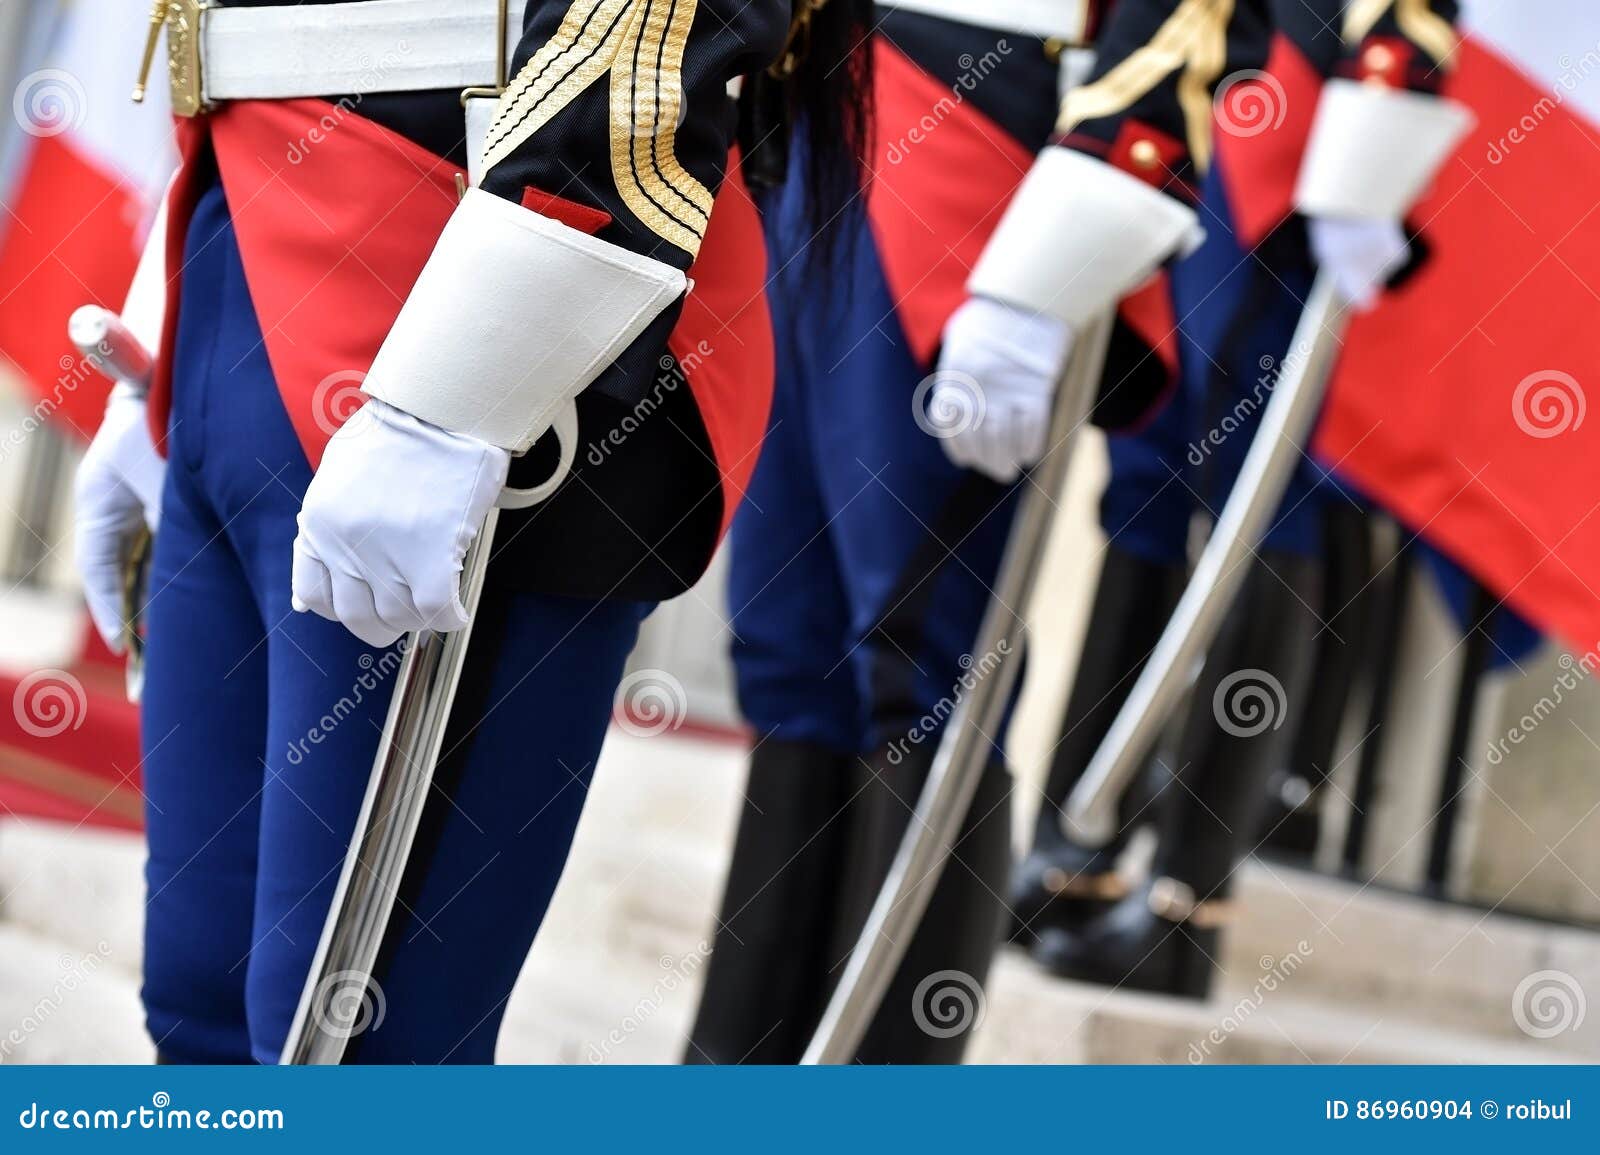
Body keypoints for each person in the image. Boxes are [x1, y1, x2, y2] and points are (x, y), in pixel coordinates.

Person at [72, 0, 869, 1065]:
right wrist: (167, 324)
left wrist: (471, 380)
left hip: (462, 258)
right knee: (197, 1011)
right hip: (242, 228)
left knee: (357, 1056)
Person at [686, 0, 1187, 1064]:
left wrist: (1060, 249)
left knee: (921, 656)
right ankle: (739, 1067)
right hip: (816, 103)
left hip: (978, 134)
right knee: (787, 639)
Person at [956, 0, 1466, 996]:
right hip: (1177, 83)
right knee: (1144, 466)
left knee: (1258, 497)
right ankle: (1076, 850)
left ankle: (1188, 905)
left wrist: (1387, 93)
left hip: (1292, 97)